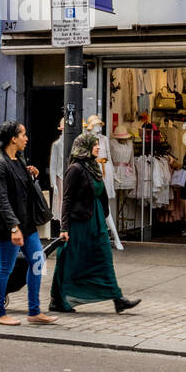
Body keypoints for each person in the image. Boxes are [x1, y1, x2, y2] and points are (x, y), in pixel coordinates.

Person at [50, 133, 140, 314]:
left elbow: (100, 194)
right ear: (84, 148)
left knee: (104, 257)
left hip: (96, 222)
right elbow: (66, 200)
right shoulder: (75, 170)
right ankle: (57, 299)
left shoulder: (93, 167)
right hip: (80, 224)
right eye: (95, 145)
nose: (98, 147)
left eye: (98, 144)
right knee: (69, 259)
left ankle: (117, 298)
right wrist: (64, 228)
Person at [0, 121, 57, 326]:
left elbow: (23, 191)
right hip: (8, 226)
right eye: (23, 135)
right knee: (5, 268)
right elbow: (4, 200)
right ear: (13, 139)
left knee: (38, 262)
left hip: (27, 224)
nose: (26, 138)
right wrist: (14, 228)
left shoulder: (18, 160)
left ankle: (34, 311)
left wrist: (31, 175)